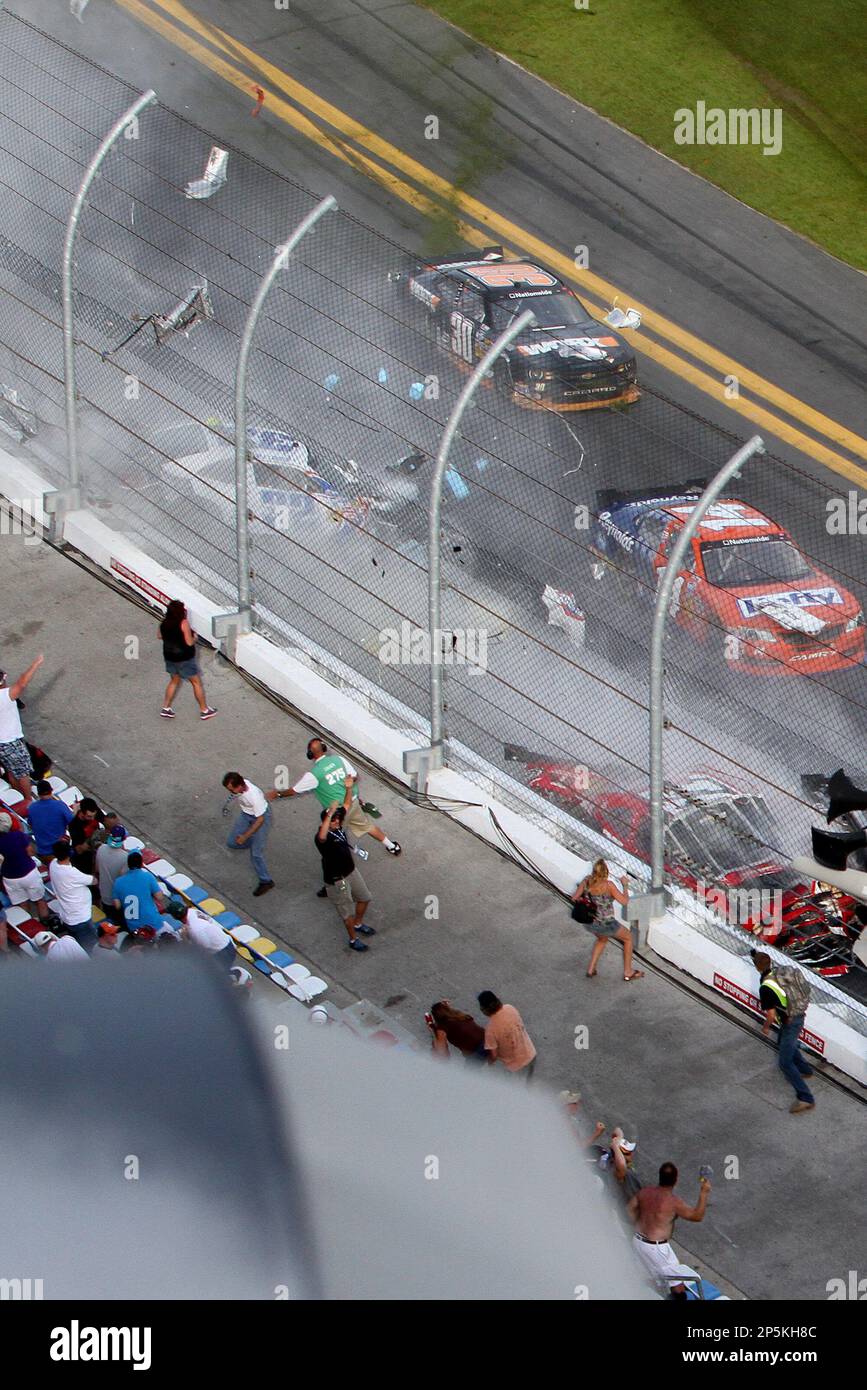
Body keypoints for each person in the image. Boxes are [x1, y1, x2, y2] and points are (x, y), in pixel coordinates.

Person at [268, 736, 401, 856]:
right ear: (324, 749)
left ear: (310, 755)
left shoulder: (314, 774)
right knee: (367, 826)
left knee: (330, 837)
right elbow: (354, 776)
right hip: (352, 802)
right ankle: (391, 846)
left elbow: (293, 791)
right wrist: (348, 787)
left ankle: (338, 864)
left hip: (335, 813)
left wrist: (278, 794)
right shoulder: (339, 759)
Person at [628, 1162, 711, 1298]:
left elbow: (629, 1210)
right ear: (676, 1180)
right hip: (656, 1249)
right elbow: (697, 1216)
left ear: (660, 1177)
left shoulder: (644, 1192)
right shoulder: (673, 1202)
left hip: (637, 1241)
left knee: (652, 1278)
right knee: (678, 1288)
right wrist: (704, 1193)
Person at [751, 949, 816, 1114]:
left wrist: (765, 1027)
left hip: (790, 1022)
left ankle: (805, 1098)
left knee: (785, 1063)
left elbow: (771, 1014)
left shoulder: (765, 987)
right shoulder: (777, 973)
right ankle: (805, 1070)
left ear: (757, 967)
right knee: (785, 1043)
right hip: (797, 1016)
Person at [315, 778, 375, 952]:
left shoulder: (339, 827)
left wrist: (348, 789)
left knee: (365, 898)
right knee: (346, 912)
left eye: (337, 820)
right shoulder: (322, 838)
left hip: (351, 872)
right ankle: (353, 939)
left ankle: (358, 924)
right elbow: (322, 836)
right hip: (337, 880)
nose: (337, 822)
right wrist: (329, 815)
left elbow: (347, 805)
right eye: (333, 820)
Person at [576, 858, 643, 982]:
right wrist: (625, 885)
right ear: (606, 873)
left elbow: (574, 897)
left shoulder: (586, 881)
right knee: (628, 939)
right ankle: (628, 972)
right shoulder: (608, 886)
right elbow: (625, 902)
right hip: (607, 924)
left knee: (602, 940)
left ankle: (591, 969)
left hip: (591, 923)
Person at [159, 599, 216, 720]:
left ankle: (166, 708)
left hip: (170, 657)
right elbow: (189, 642)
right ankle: (204, 710)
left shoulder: (164, 622)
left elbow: (159, 635)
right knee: (196, 683)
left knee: (174, 681)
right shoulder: (183, 623)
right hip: (184, 659)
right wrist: (194, 637)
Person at [0, 655, 44, 807]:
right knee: (23, 773)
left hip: (2, 744)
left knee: (12, 772)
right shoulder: (5, 696)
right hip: (11, 741)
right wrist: (36, 663)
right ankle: (28, 800)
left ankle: (17, 795)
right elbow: (22, 682)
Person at [222, 773, 274, 896]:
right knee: (232, 842)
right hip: (247, 814)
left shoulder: (254, 796)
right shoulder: (240, 788)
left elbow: (260, 820)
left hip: (261, 817)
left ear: (240, 785)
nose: (231, 792)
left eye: (232, 790)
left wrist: (245, 836)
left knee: (256, 854)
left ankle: (266, 881)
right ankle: (255, 842)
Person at [0, 810, 50, 922]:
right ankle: (46, 924)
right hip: (28, 872)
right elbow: (30, 852)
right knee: (40, 900)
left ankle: (30, 924)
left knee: (22, 904)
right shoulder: (19, 835)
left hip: (10, 877)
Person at [48, 841, 98, 953]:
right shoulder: (71, 873)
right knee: (91, 948)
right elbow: (93, 881)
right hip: (80, 919)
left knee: (78, 943)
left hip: (67, 916)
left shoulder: (53, 865)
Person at [478, 991, 537, 1080]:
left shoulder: (491, 1030)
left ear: (484, 1009)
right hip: (530, 1053)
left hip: (516, 1066)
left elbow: (493, 1055)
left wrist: (490, 1062)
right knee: (529, 1080)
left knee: (517, 1090)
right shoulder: (510, 1008)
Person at [169, 901, 236, 971]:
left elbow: (202, 950)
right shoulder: (192, 911)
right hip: (226, 942)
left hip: (222, 954)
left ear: (174, 917)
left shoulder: (194, 929)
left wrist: (184, 938)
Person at [112, 851, 168, 934]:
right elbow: (160, 897)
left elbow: (117, 906)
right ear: (141, 864)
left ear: (128, 865)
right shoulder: (147, 876)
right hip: (153, 923)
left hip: (134, 927)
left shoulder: (118, 882)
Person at [27, 780, 76, 865]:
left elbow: (31, 825)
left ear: (38, 794)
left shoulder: (31, 808)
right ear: (51, 790)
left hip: (44, 853)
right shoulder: (60, 805)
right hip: (61, 851)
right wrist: (75, 810)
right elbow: (74, 823)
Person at [95, 824, 129, 923]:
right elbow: (124, 880)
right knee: (119, 921)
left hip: (104, 893)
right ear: (124, 838)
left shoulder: (101, 849)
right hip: (117, 899)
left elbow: (97, 870)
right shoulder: (125, 857)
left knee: (109, 918)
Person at [68, 797, 106, 875]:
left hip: (97, 849)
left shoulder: (94, 811)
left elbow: (105, 821)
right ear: (82, 812)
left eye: (94, 816)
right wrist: (90, 840)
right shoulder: (74, 825)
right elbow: (79, 849)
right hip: (83, 859)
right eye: (89, 816)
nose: (92, 818)